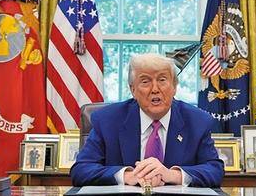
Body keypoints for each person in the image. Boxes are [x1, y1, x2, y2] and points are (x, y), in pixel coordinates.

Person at [70, 53, 224, 187]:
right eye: (145, 81)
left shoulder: (198, 121)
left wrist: (172, 175)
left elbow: (215, 170)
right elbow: (81, 170)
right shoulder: (107, 120)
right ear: (133, 89)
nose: (155, 89)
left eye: (162, 80)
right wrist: (127, 176)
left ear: (174, 87)